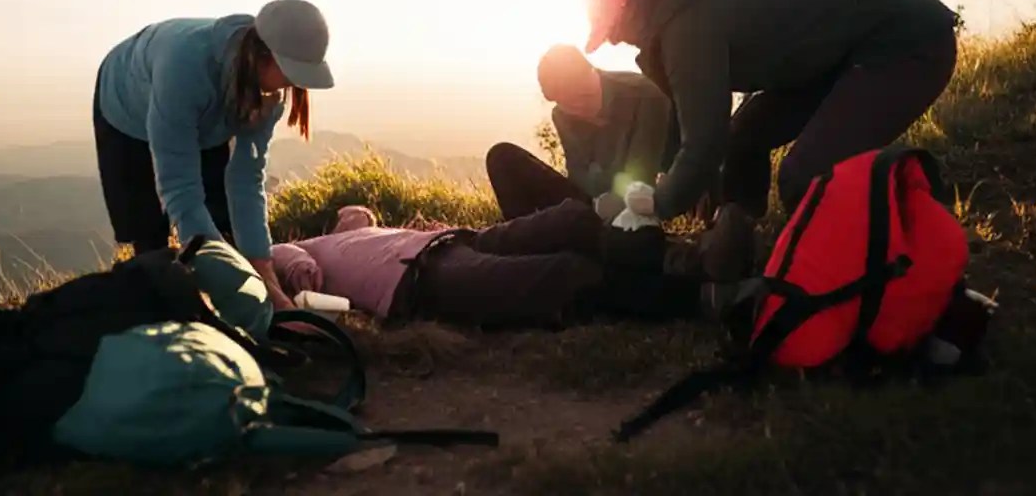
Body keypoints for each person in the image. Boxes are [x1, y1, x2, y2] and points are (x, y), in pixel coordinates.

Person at [580, 0, 959, 225]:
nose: (615, 42)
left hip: (905, 43)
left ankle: (919, 225)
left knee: (805, 175)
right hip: (838, 57)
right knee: (743, 136)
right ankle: (734, 232)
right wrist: (670, 184)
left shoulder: (688, 28)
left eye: (611, 31)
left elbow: (704, 142)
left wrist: (659, 204)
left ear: (629, 7)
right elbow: (694, 120)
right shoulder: (680, 13)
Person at [93, 0, 334, 311]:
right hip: (126, 105)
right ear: (263, 56)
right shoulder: (184, 68)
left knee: (220, 219)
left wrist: (267, 278)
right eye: (291, 73)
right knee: (148, 233)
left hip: (207, 109)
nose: (295, 84)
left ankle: (230, 304)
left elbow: (247, 182)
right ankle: (161, 315)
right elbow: (180, 188)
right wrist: (233, 279)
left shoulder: (269, 93)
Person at [267, 200, 744, 330]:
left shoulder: (352, 230)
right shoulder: (292, 248)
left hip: (455, 241)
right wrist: (298, 282)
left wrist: (353, 219)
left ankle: (689, 259)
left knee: (572, 218)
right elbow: (289, 262)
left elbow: (356, 213)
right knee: (564, 273)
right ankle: (702, 299)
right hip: (422, 281)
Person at [485, 44, 680, 221]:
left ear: (591, 72)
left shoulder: (644, 96)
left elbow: (640, 179)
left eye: (585, 96)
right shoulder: (562, 115)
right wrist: (596, 191)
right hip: (589, 207)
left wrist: (598, 180)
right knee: (502, 156)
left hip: (629, 212)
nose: (581, 108)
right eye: (570, 104)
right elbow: (578, 174)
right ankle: (528, 237)